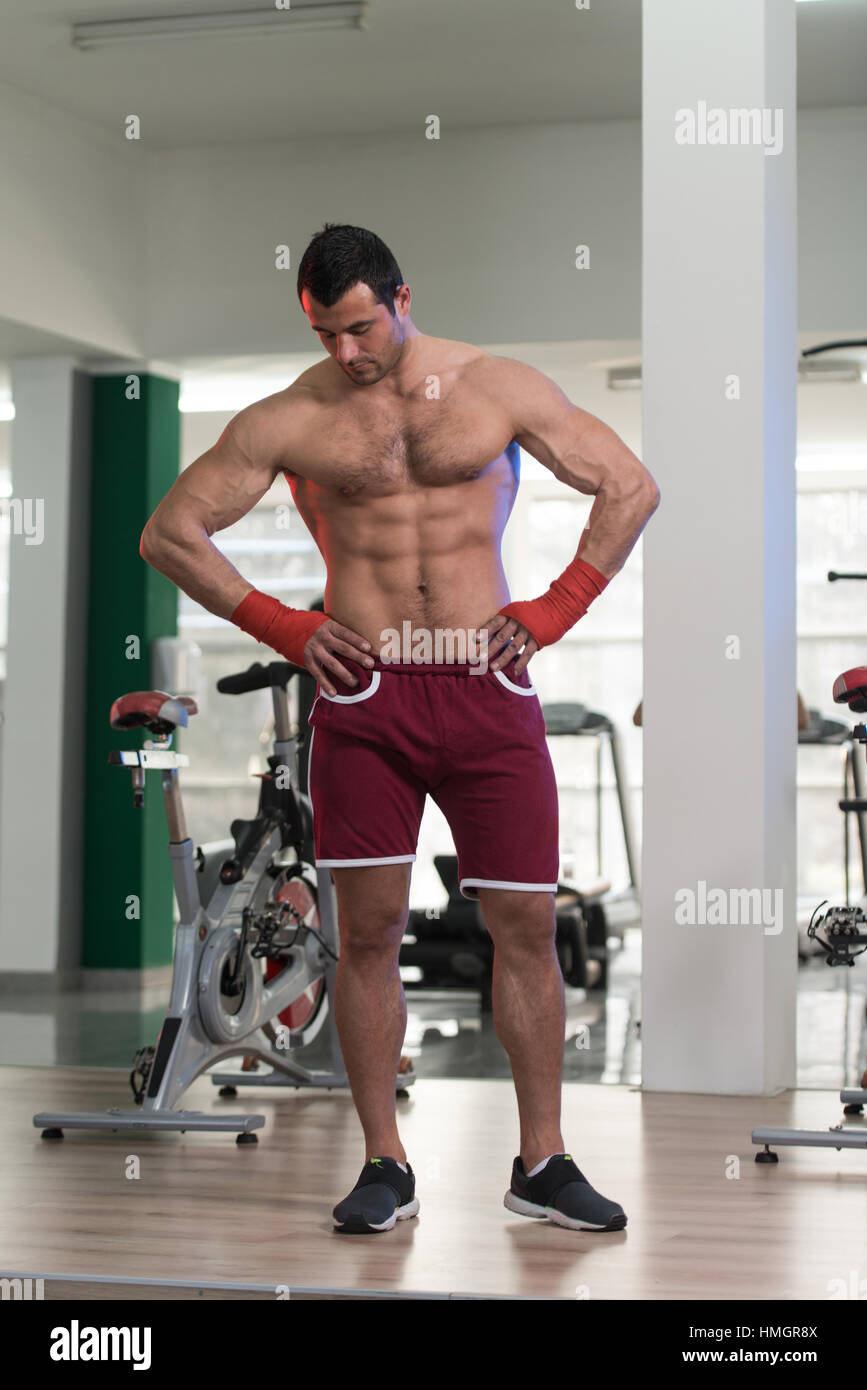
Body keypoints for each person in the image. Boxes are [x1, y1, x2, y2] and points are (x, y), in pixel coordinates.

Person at [141, 223, 660, 1235]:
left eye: (362, 327)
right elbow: (169, 531)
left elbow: (630, 485)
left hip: (482, 686)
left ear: (403, 297)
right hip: (367, 699)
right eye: (327, 333)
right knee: (368, 933)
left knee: (525, 926)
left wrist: (556, 609)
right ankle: (385, 1161)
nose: (347, 352)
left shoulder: (495, 386)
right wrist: (283, 624)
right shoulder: (291, 417)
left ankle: (542, 1162)